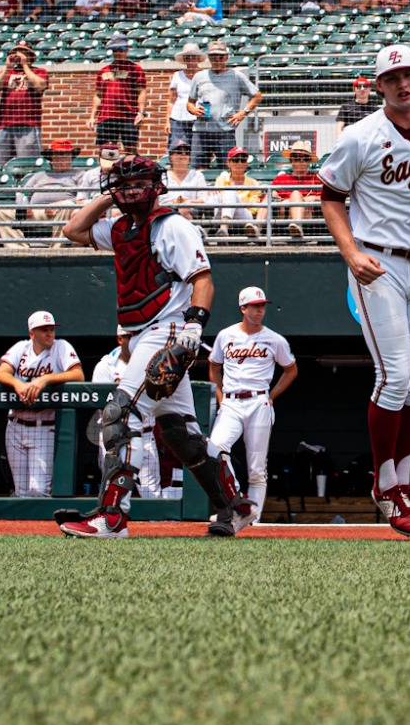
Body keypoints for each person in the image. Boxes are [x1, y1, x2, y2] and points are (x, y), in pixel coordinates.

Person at [319, 44, 410, 539]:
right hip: (377, 262)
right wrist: (349, 253)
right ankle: (385, 486)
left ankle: (403, 483)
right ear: (378, 85)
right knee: (396, 376)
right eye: (393, 77)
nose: (403, 83)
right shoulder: (361, 136)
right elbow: (330, 198)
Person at [58, 156, 252, 537]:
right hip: (142, 333)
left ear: (156, 186)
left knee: (120, 414)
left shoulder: (174, 226)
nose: (131, 191)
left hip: (168, 329)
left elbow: (203, 279)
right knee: (180, 434)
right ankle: (236, 505)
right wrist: (108, 197)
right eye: (124, 185)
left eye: (138, 184)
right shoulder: (119, 227)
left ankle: (112, 516)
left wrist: (194, 329)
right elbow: (72, 230)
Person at [209, 286, 299, 528]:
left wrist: (273, 396)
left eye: (262, 305)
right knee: (215, 449)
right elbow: (214, 366)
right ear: (243, 308)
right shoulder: (225, 335)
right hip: (230, 401)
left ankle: (253, 522)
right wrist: (220, 396)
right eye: (255, 305)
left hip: (259, 400)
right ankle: (239, 504)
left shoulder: (274, 338)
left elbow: (291, 369)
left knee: (257, 467)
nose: (260, 310)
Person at [0, 310, 85, 498]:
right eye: (44, 330)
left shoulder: (60, 347)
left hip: (44, 427)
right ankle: (22, 528)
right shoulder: (21, 348)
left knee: (38, 491)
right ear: (32, 333)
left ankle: (39, 528)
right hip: (16, 426)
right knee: (21, 492)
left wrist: (46, 379)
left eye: (51, 329)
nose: (49, 333)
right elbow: (0, 373)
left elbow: (78, 375)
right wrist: (17, 383)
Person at [91, 329, 161, 499]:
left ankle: (157, 526)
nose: (133, 340)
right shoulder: (107, 365)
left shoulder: (153, 362)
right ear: (120, 339)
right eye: (129, 337)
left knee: (150, 493)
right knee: (113, 489)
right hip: (115, 437)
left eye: (136, 336)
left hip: (146, 435)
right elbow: (102, 406)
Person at [0, 140, 86, 244]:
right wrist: (24, 207)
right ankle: (19, 251)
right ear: (51, 158)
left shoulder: (79, 174)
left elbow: (82, 198)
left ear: (71, 157)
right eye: (57, 155)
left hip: (61, 211)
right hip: (34, 212)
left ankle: (58, 251)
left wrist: (60, 204)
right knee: (1, 213)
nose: (61, 158)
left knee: (67, 205)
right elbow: (23, 192)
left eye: (65, 155)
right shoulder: (39, 175)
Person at [188, 42, 260, 171]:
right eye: (213, 56)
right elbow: (190, 102)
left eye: (220, 56)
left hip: (225, 130)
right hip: (201, 130)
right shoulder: (199, 76)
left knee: (227, 169)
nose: (216, 60)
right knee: (198, 169)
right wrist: (193, 109)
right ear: (209, 58)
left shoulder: (236, 76)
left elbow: (257, 96)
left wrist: (243, 113)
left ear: (226, 57)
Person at [0, 44, 48, 163]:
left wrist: (25, 66)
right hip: (5, 125)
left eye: (23, 52)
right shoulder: (7, 72)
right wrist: (7, 68)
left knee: (27, 164)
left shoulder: (39, 71)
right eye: (15, 52)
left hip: (28, 124)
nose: (18, 54)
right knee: (0, 163)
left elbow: (39, 85)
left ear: (30, 56)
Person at [91, 35, 147, 152]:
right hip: (107, 116)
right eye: (115, 50)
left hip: (128, 116)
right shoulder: (103, 71)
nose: (118, 52)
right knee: (107, 151)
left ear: (127, 49)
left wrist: (141, 113)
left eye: (121, 49)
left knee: (130, 150)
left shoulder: (135, 69)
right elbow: (98, 95)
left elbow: (141, 92)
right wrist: (92, 117)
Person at [209, 147, 267, 238]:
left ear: (246, 163)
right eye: (236, 160)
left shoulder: (253, 183)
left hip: (244, 216)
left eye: (243, 160)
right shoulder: (221, 179)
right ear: (228, 163)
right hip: (221, 213)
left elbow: (253, 208)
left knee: (230, 192)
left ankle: (223, 229)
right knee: (219, 196)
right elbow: (217, 201)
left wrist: (235, 202)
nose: (239, 163)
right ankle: (220, 229)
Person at [270, 144, 322, 237]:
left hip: (310, 217)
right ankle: (256, 227)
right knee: (295, 194)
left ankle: (296, 225)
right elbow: (272, 195)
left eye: (305, 158)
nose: (301, 161)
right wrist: (284, 201)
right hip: (284, 215)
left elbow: (327, 197)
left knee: (296, 194)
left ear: (309, 161)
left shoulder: (317, 178)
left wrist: (313, 198)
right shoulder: (280, 179)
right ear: (291, 160)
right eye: (297, 158)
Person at [167, 44, 205, 156]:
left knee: (198, 152)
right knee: (177, 150)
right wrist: (167, 121)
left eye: (193, 57)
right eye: (188, 57)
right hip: (177, 119)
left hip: (198, 118)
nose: (191, 60)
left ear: (198, 59)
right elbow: (171, 101)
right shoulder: (177, 75)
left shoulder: (205, 76)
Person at [159, 141, 208, 218]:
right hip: (168, 213)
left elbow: (203, 198)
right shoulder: (163, 177)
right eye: (179, 152)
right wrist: (175, 204)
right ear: (171, 157)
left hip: (192, 212)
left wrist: (189, 202)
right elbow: (160, 200)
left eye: (187, 152)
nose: (184, 154)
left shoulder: (197, 175)